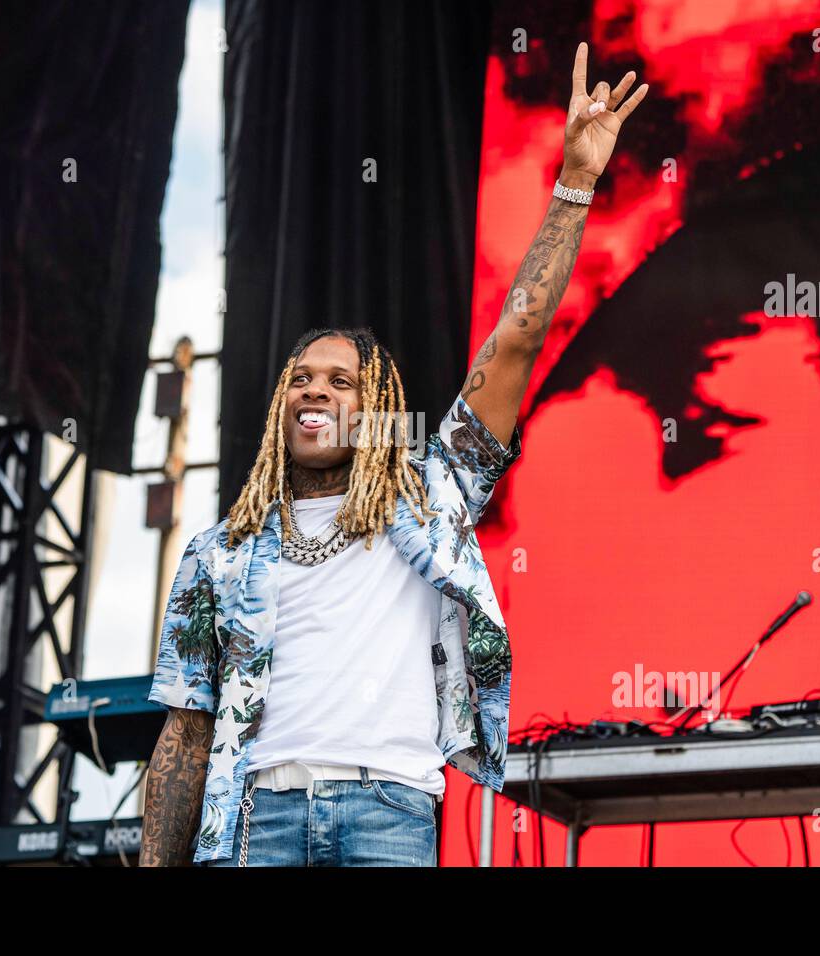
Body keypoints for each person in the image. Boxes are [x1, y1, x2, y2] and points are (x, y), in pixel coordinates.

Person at [138, 41, 649, 866]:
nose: (315, 391)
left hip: (388, 812)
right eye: (301, 378)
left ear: (373, 411)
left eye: (340, 382)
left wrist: (576, 185)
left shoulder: (432, 494)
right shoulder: (219, 554)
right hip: (253, 822)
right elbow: (187, 730)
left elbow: (516, 341)